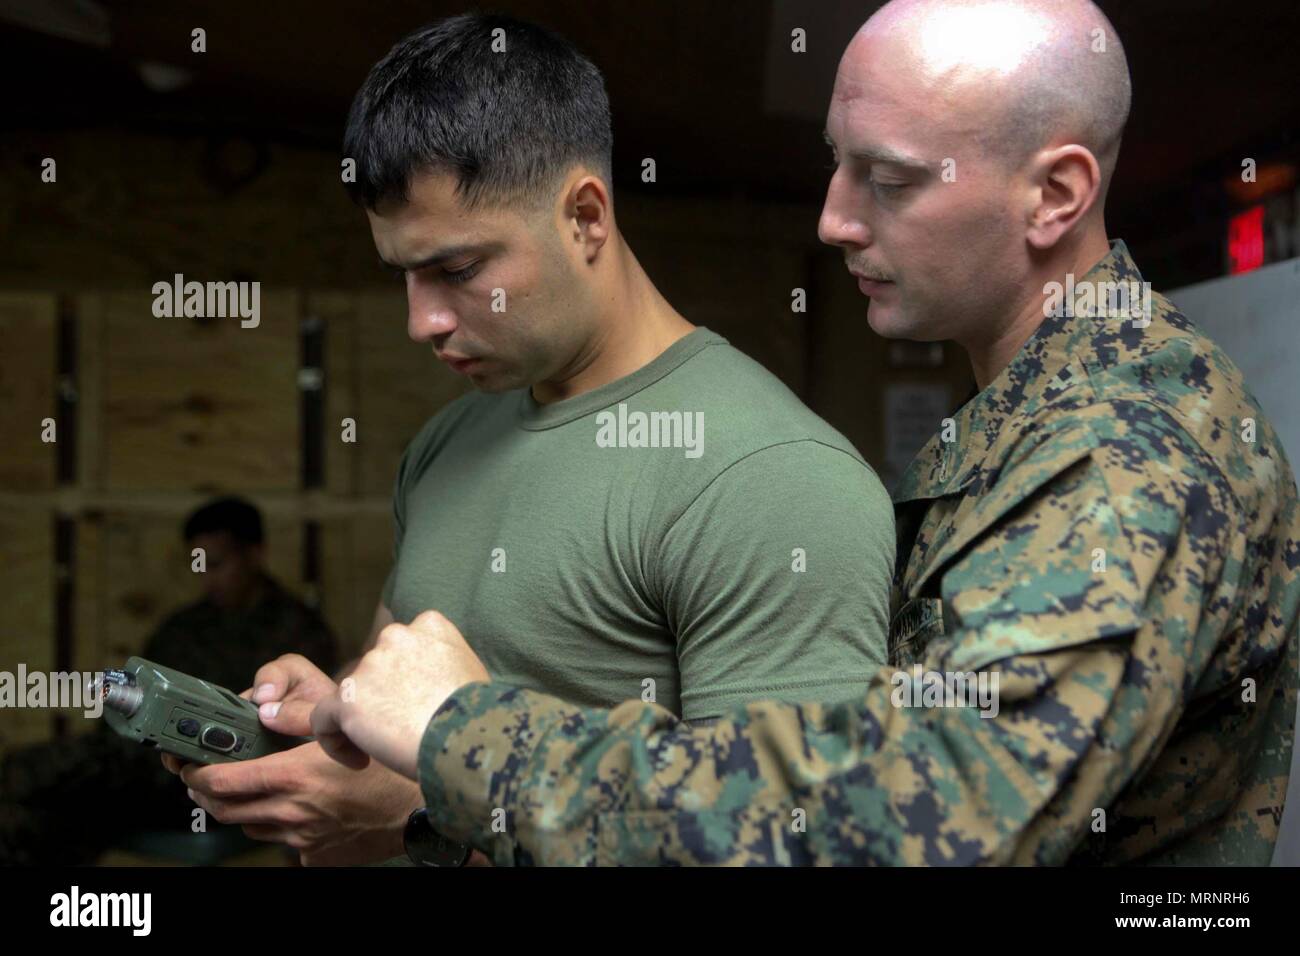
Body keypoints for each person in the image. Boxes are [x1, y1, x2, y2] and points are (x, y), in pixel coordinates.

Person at [305, 0, 1299, 865]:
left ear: (1054, 195)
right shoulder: (1037, 416)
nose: (831, 219)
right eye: (838, 165)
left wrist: (465, 738)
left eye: (890, 180)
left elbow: (916, 824)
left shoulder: (1124, 458)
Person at [173, 13, 895, 866]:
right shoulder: (447, 443)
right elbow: (394, 746)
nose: (421, 322)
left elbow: (789, 851)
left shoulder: (773, 482)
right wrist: (330, 740)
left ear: (586, 216)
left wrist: (421, 814)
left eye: (458, 270)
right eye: (403, 273)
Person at [0, 497, 337, 865]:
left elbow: (291, 744)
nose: (207, 578)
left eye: (218, 564)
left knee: (31, 780)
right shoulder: (183, 626)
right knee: (31, 810)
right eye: (198, 565)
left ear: (255, 555)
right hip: (129, 769)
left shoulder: (300, 636)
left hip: (200, 783)